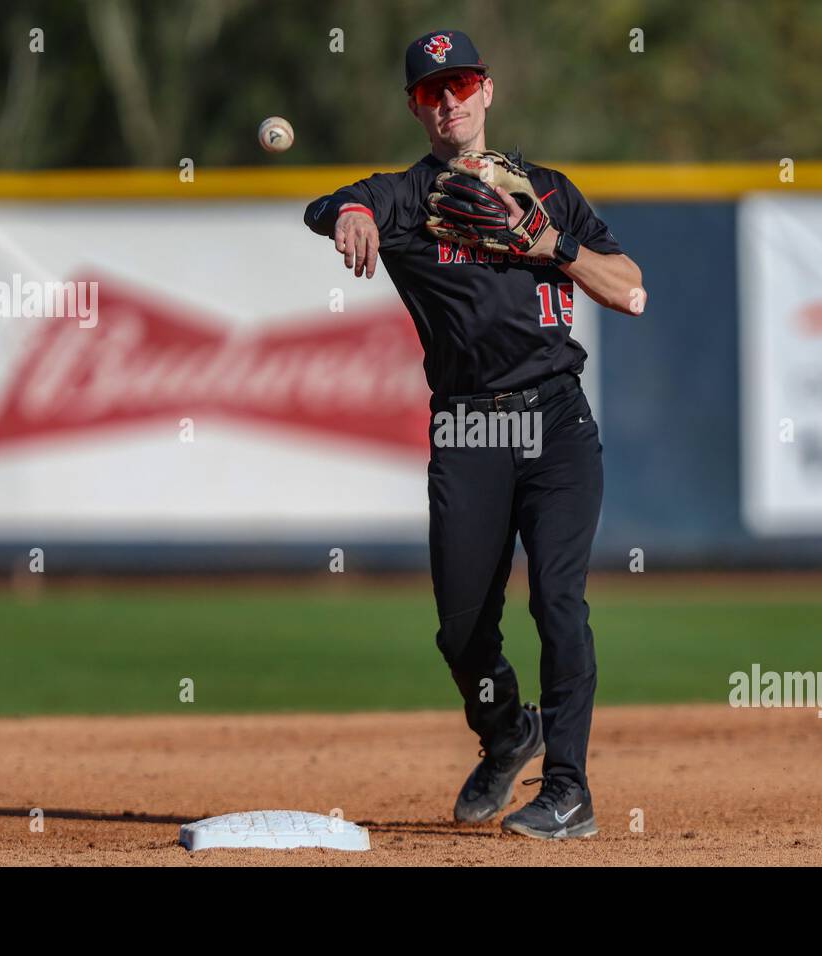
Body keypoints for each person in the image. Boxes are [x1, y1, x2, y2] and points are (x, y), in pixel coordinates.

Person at [304, 29, 645, 839]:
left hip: (557, 419)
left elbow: (631, 293)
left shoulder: (551, 193)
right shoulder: (408, 196)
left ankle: (569, 790)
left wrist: (550, 245)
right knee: (462, 630)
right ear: (416, 107)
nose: (448, 100)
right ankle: (505, 731)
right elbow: (329, 205)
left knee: (558, 600)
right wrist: (352, 215)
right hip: (467, 429)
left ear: (487, 90)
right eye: (430, 90)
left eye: (460, 84)